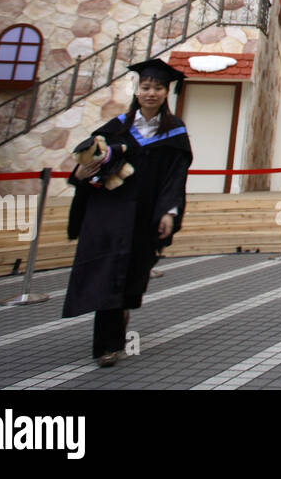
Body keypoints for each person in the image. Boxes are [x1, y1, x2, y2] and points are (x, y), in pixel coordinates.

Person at [63, 58, 192, 367]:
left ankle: (120, 314)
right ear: (137, 91)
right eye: (146, 87)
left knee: (134, 273)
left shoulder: (174, 132)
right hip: (111, 214)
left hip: (146, 215)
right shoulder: (117, 128)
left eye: (158, 88)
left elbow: (176, 177)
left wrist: (169, 213)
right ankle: (105, 347)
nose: (151, 93)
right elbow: (87, 167)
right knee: (108, 272)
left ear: (166, 92)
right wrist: (85, 173)